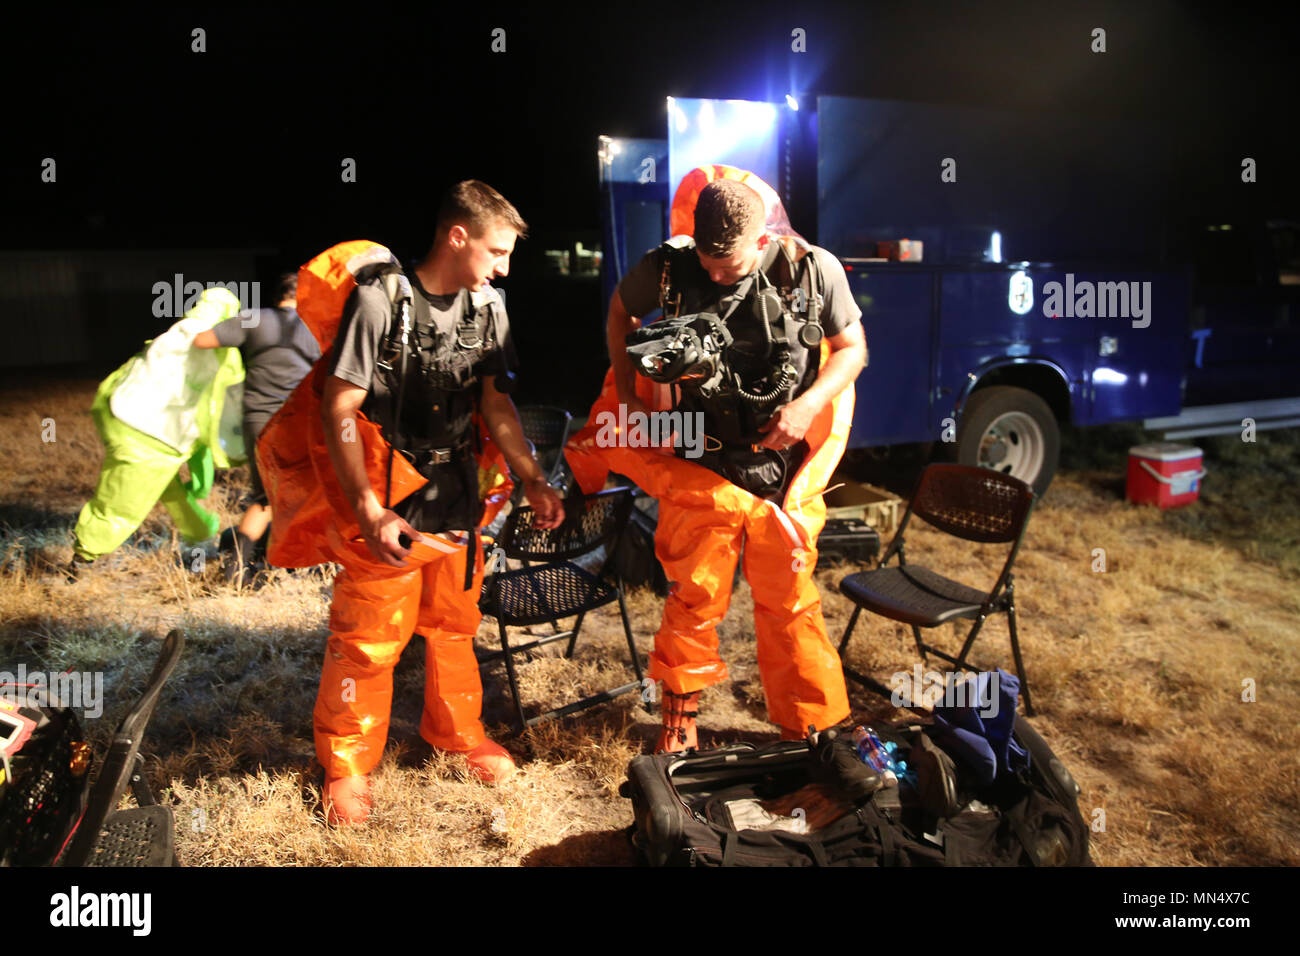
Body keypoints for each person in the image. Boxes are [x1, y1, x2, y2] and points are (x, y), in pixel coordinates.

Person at [569, 173, 866, 752]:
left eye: (725, 266)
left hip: (784, 464)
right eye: (704, 260)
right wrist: (628, 392)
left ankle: (808, 730)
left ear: (761, 242)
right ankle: (678, 724)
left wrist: (807, 405)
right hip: (701, 460)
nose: (711, 274)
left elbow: (853, 348)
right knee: (693, 597)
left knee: (790, 603)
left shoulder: (812, 271)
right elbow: (619, 313)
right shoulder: (670, 266)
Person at [309, 181, 563, 824]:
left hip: (457, 499)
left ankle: (456, 734)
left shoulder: (489, 310)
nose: (504, 268)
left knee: (453, 628)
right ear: (458, 237)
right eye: (497, 251)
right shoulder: (380, 302)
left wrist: (530, 474)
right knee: (367, 641)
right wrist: (368, 509)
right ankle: (346, 765)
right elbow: (337, 404)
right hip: (389, 497)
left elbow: (495, 404)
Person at [66, 287, 246, 578]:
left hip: (121, 415)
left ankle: (199, 534)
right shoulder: (222, 352)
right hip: (154, 435)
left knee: (169, 491)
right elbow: (220, 407)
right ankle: (84, 561)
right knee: (121, 504)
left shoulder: (175, 332)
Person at [193, 272, 320, 586]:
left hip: (259, 419)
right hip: (300, 423)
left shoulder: (253, 319)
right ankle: (293, 562)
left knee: (265, 496)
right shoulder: (316, 326)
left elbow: (202, 340)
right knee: (308, 494)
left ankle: (238, 566)